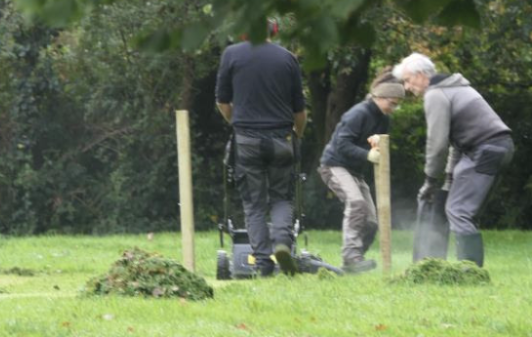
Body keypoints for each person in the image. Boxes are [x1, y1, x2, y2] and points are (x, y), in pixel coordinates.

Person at [394, 53, 513, 267]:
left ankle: (470, 271)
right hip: (498, 147)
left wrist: (431, 180)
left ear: (420, 75)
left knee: (459, 211)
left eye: (407, 80)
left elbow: (437, 143)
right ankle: (466, 267)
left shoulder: (436, 94)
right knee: (463, 211)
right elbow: (456, 143)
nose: (407, 87)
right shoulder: (454, 88)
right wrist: (447, 181)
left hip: (484, 150)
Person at [215, 21, 306, 277]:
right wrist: (297, 135)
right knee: (281, 197)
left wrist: (238, 124)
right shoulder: (287, 58)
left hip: (246, 140)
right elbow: (299, 110)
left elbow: (222, 102)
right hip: (281, 138)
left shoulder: (231, 55)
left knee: (254, 203)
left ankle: (264, 263)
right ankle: (282, 244)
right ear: (273, 33)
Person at [318, 68, 405, 273]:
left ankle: (355, 262)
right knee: (357, 204)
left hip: (355, 171)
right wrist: (367, 155)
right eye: (391, 103)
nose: (393, 108)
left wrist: (377, 145)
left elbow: (377, 143)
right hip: (334, 165)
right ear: (379, 96)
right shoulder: (358, 113)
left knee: (371, 222)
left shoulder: (383, 119)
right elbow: (341, 144)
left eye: (396, 104)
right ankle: (351, 257)